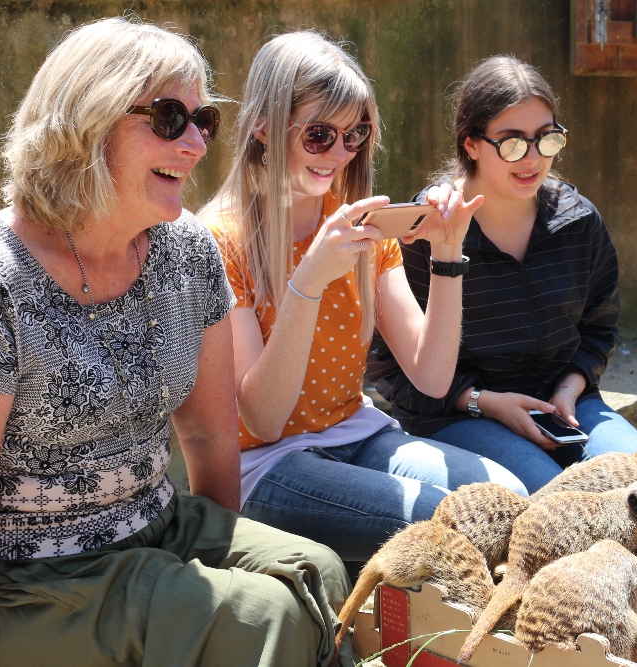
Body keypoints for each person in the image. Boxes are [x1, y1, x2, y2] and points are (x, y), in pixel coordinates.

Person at [0, 18, 350, 667]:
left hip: (157, 524)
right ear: (85, 121)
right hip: (34, 582)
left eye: (203, 118)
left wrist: (221, 567)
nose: (198, 141)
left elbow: (208, 436)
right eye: (171, 116)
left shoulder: (187, 253)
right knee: (265, 616)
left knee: (316, 574)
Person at [200, 31, 527, 565]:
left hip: (356, 431)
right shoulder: (219, 239)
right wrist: (306, 284)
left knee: (507, 500)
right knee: (446, 530)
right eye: (319, 134)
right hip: (265, 464)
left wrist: (448, 257)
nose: (339, 153)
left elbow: (431, 377)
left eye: (356, 135)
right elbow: (262, 419)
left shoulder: (359, 224)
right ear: (262, 126)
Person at [368, 56, 637, 495]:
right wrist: (484, 402)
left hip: (563, 408)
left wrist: (569, 391)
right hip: (458, 415)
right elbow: (389, 366)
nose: (533, 158)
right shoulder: (425, 230)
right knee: (554, 500)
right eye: (513, 143)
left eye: (547, 138)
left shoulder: (578, 221)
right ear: (472, 143)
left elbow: (599, 327)